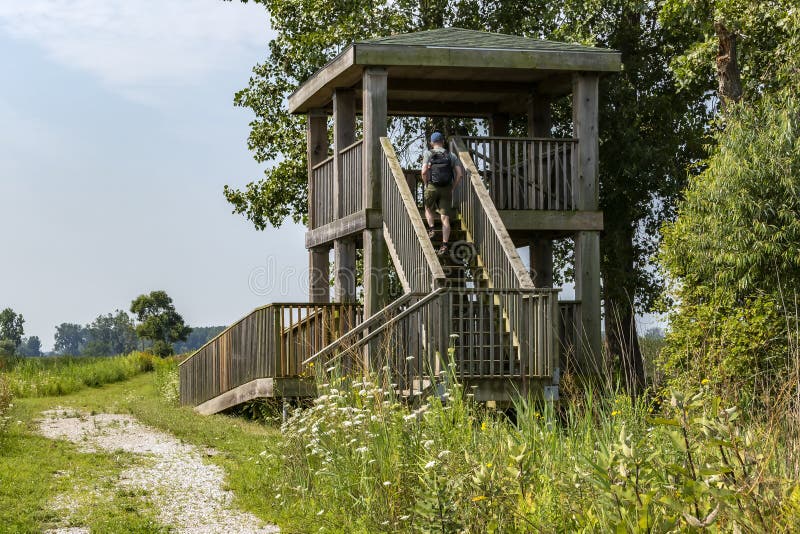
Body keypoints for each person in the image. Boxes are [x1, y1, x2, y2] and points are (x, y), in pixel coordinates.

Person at [421, 132, 464, 255]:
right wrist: (452, 187)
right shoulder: (451, 155)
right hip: (446, 188)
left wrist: (426, 183)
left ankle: (432, 229)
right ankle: (444, 245)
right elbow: (459, 174)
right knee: (445, 218)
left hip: (432, 187)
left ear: (431, 143)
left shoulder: (428, 153)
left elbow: (424, 171)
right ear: (443, 142)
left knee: (428, 208)